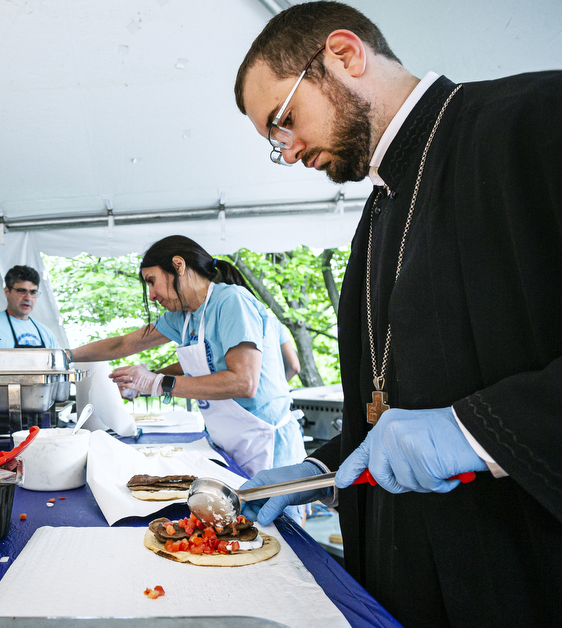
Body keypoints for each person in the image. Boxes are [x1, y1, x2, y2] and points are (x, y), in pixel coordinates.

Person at [233, 3, 562, 626]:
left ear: (345, 54)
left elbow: (448, 421)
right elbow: (403, 400)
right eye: (275, 141)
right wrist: (324, 468)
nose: (289, 151)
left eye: (284, 120)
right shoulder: (379, 213)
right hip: (402, 580)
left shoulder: (536, 118)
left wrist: (479, 433)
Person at [69, 235, 305, 475]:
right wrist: (66, 355)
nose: (151, 295)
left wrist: (158, 383)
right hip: (227, 443)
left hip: (267, 447)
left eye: (152, 281)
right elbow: (123, 344)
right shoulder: (182, 317)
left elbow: (243, 383)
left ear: (178, 265)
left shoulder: (232, 301)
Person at [0, 265, 59, 349]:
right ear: (7, 292)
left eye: (33, 292)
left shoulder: (45, 333)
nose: (28, 298)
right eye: (22, 291)